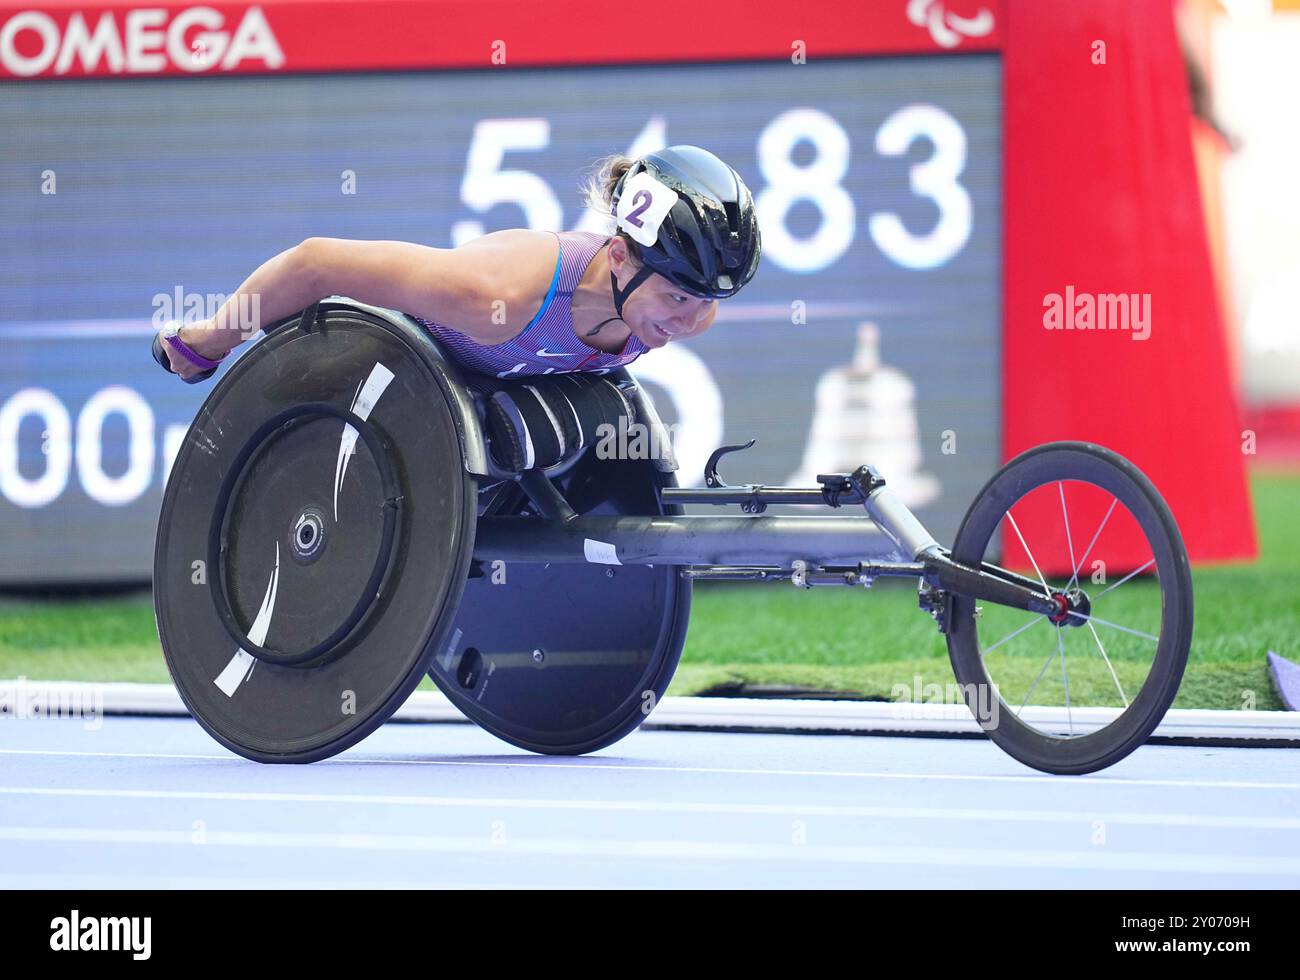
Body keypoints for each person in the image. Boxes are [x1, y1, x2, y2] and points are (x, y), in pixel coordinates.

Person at [154, 145, 761, 383]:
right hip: (372, 370)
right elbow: (317, 263)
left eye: (706, 302)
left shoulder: (685, 308)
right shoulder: (501, 294)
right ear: (621, 256)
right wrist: (207, 342)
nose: (689, 321)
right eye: (679, 298)